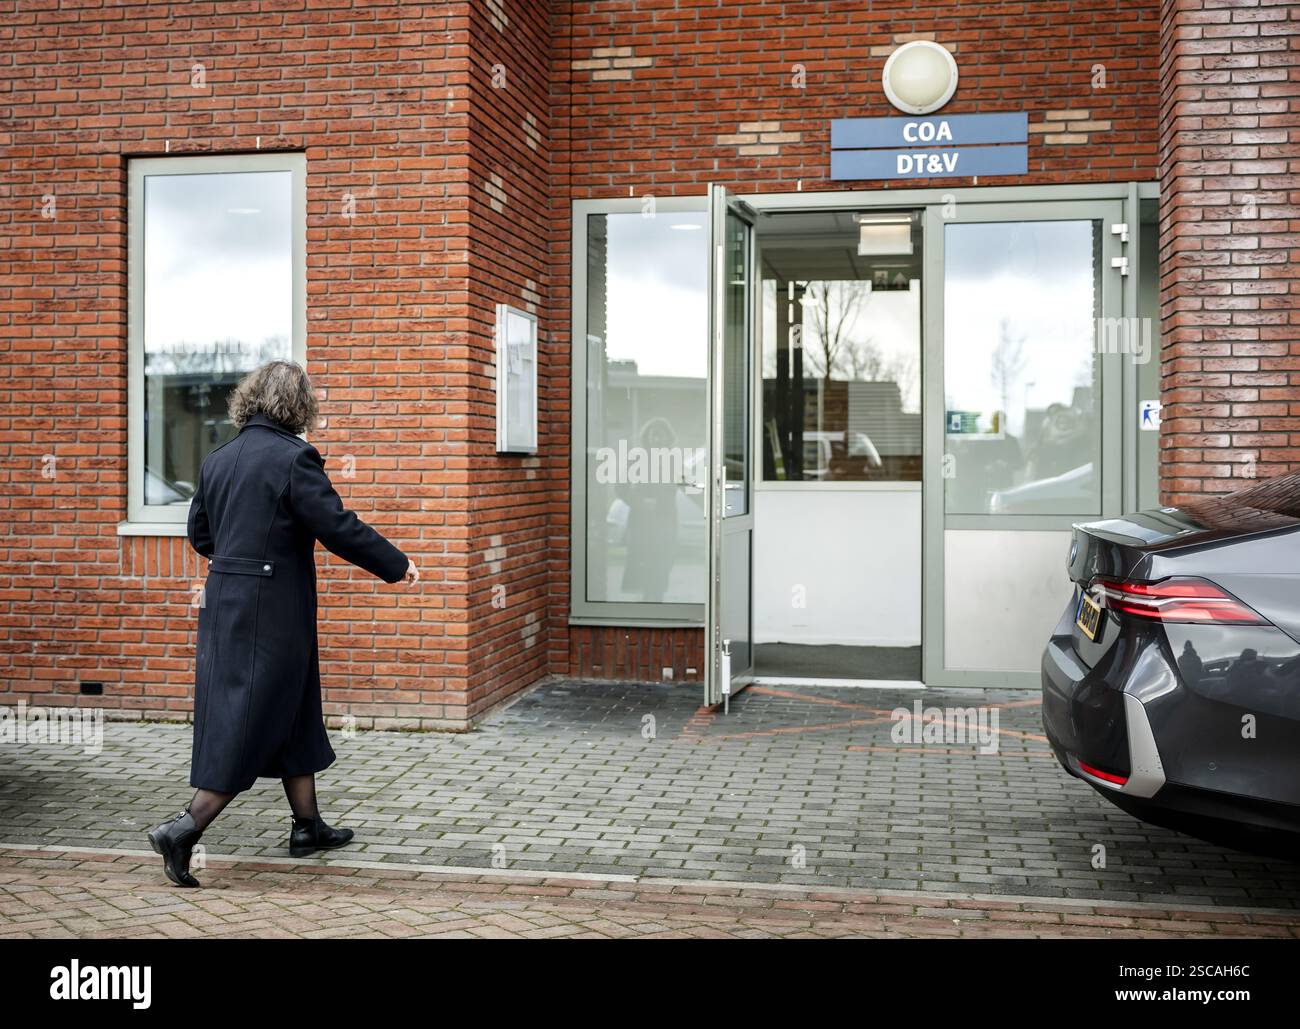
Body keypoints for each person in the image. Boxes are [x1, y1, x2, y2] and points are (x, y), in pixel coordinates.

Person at [147, 360, 418, 887]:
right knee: (254, 716)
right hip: (273, 611)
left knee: (290, 707)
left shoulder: (219, 458)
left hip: (225, 602)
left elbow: (201, 535)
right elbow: (337, 526)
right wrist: (396, 563)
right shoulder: (296, 459)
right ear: (299, 406)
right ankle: (184, 827)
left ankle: (307, 825)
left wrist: (240, 556)